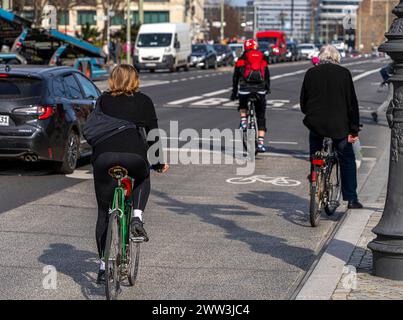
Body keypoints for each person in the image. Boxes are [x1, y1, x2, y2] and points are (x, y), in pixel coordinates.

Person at [91, 64, 168, 284]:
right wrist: (159, 163)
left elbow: (95, 130)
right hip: (134, 157)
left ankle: (104, 267)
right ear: (135, 80)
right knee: (143, 177)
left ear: (113, 80)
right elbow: (153, 135)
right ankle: (136, 217)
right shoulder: (144, 101)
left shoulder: (102, 100)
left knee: (103, 212)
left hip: (104, 158)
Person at [300, 45, 363, 210]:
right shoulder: (344, 74)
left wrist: (311, 114)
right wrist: (354, 130)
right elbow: (352, 104)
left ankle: (315, 176)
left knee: (315, 155)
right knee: (347, 159)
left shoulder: (311, 73)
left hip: (316, 124)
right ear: (337, 58)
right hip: (339, 126)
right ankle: (351, 199)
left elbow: (303, 102)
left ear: (320, 57)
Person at [231, 39, 271, 153]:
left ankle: (244, 122)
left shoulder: (241, 60)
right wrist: (267, 89)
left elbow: (235, 78)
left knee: (243, 105)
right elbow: (267, 76)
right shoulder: (262, 58)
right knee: (261, 116)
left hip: (245, 90)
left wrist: (234, 93)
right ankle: (261, 143)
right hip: (260, 90)